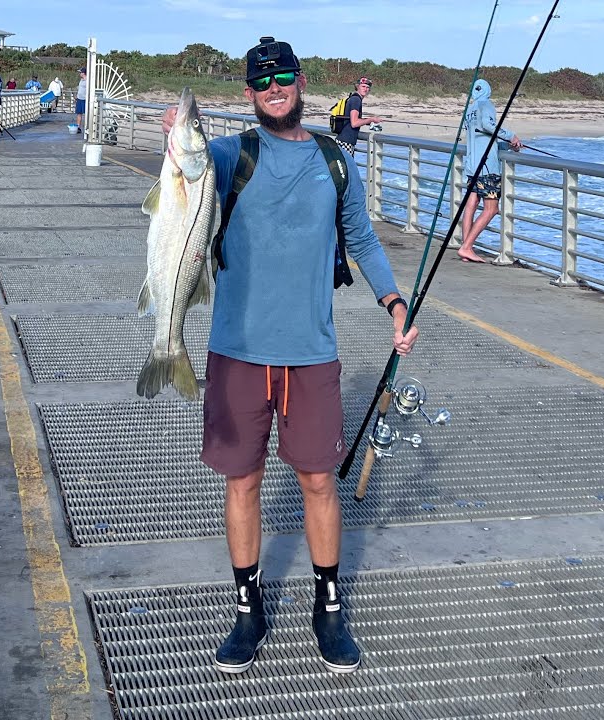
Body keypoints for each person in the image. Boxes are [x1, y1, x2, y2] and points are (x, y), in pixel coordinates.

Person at [160, 36, 419, 677]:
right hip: (236, 351)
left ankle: (328, 609)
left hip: (311, 352)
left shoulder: (335, 160)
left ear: (301, 83)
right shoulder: (224, 155)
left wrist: (393, 300)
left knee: (317, 480)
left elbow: (359, 236)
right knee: (242, 481)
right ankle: (247, 610)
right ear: (248, 93)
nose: (274, 88)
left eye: (284, 77)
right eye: (262, 80)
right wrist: (175, 131)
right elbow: (183, 178)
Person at [456, 78, 523, 263]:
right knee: (492, 209)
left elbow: (483, 137)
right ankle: (467, 247)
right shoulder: (486, 104)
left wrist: (508, 145)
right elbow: (487, 125)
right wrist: (511, 136)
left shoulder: (469, 110)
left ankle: (465, 247)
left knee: (471, 203)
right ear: (488, 91)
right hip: (487, 167)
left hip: (472, 165)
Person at [333, 76, 384, 157]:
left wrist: (368, 122)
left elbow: (352, 119)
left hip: (342, 140)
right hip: (346, 142)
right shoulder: (356, 100)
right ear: (357, 87)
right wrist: (371, 119)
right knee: (348, 168)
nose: (365, 89)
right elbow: (354, 123)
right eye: (363, 86)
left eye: (367, 87)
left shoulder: (353, 98)